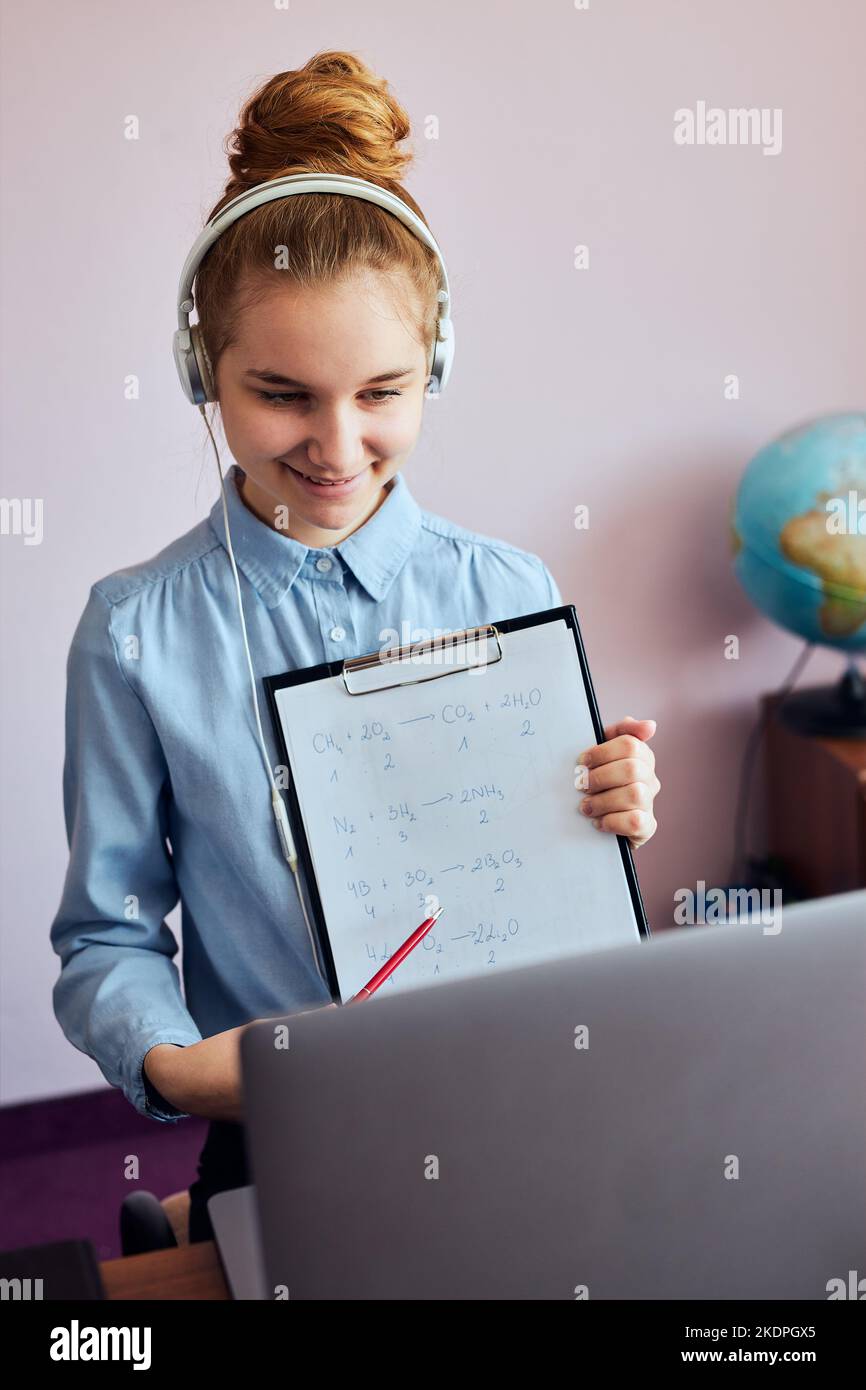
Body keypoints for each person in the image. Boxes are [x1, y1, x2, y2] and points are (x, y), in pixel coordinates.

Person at [49, 50, 661, 1244]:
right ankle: (183, 1221)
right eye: (283, 393)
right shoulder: (132, 635)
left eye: (381, 391)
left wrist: (614, 802)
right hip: (287, 1124)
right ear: (201, 375)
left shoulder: (508, 589)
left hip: (517, 1102)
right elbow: (106, 934)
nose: (337, 444)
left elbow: (543, 887)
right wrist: (174, 1066)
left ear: (435, 367)